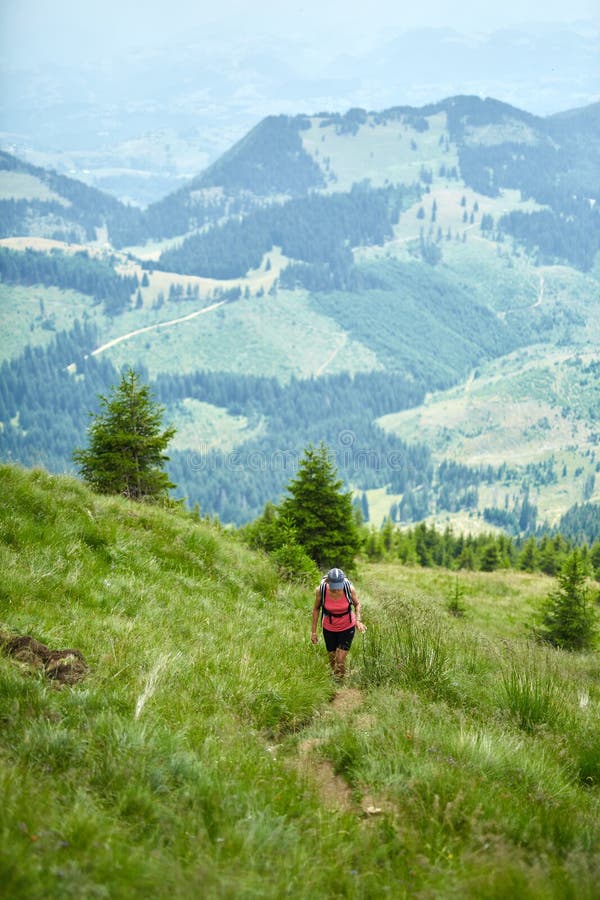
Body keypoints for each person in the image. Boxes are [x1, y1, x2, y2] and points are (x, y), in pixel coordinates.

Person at [311, 567, 366, 680]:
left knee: (340, 659)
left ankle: (341, 683)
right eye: (333, 587)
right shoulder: (320, 590)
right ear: (328, 582)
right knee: (332, 659)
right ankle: (336, 680)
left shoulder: (348, 588)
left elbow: (357, 605)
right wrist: (314, 632)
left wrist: (358, 620)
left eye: (338, 587)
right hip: (329, 627)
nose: (336, 590)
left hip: (347, 626)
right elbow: (316, 609)